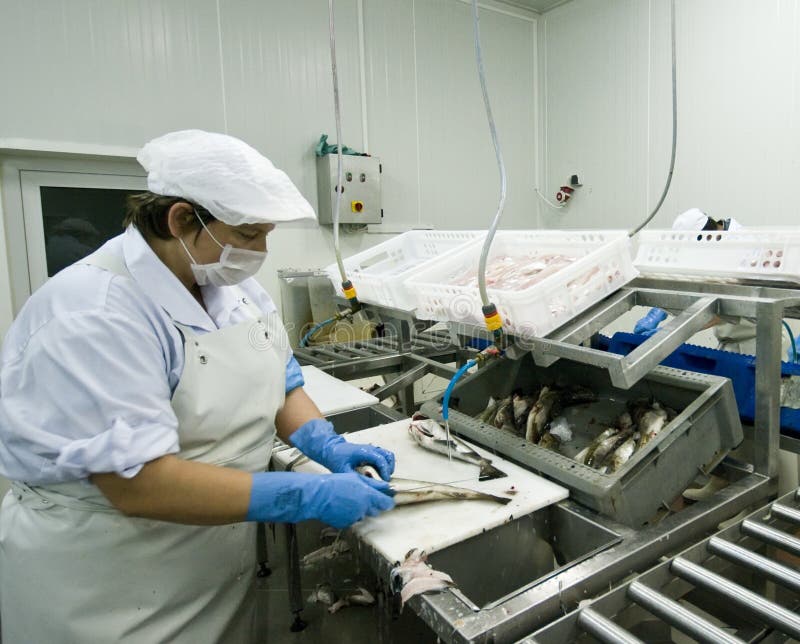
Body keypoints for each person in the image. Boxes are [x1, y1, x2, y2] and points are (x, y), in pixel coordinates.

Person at [0, 130, 396, 643]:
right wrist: (305, 493)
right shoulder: (94, 314)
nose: (261, 250)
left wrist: (328, 444)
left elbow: (281, 381)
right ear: (182, 218)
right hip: (107, 578)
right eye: (250, 234)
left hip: (206, 557)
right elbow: (138, 483)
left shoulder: (232, 287)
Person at [634, 207, 756, 354]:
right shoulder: (714, 246)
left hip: (757, 344)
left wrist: (671, 330)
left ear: (706, 237)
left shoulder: (742, 247)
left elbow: (725, 309)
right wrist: (660, 310)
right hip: (730, 342)